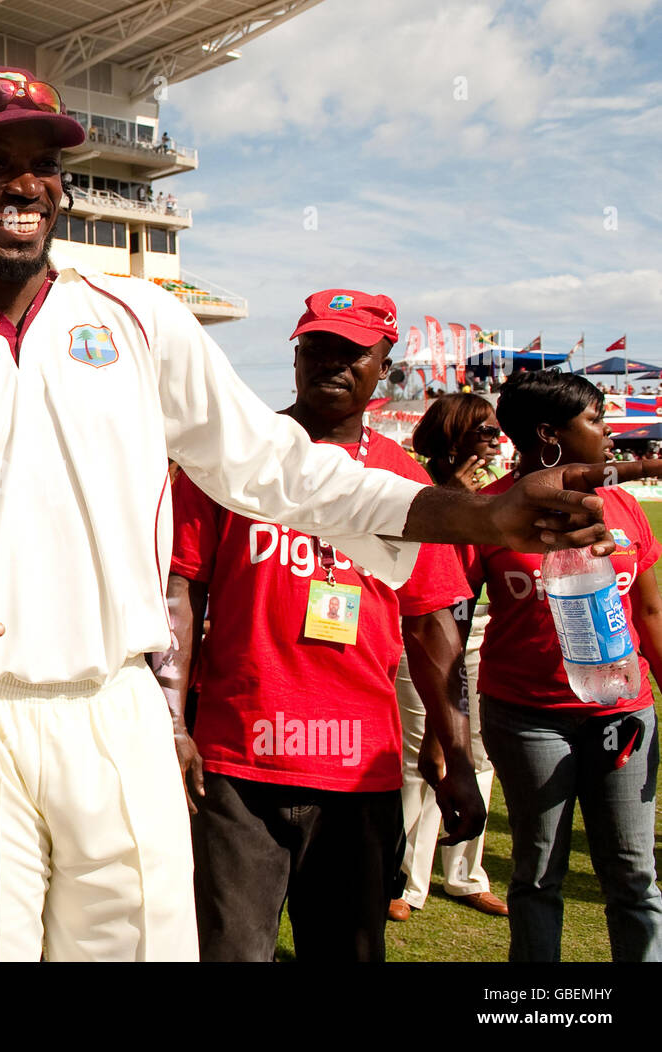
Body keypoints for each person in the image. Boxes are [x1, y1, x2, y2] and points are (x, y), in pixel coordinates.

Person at [0, 66, 637, 963]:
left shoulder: (140, 321)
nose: (26, 184)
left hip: (115, 703)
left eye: (44, 164)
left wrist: (480, 519)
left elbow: (280, 472)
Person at [160, 291, 482, 962]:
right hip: (237, 764)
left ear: (385, 366)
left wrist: (455, 757)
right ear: (296, 356)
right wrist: (171, 723)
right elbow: (180, 589)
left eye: (352, 353)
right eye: (317, 349)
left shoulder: (402, 481)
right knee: (229, 952)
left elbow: (432, 629)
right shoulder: (235, 459)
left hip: (357, 775)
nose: (331, 364)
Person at [461, 370, 662, 961]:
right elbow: (446, 619)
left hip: (624, 714)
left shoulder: (623, 506)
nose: (607, 434)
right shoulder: (487, 513)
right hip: (529, 717)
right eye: (595, 421)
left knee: (632, 875)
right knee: (539, 872)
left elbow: (649, 613)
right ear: (548, 434)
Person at [388, 393, 507, 922]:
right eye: (483, 429)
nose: (493, 438)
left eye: (496, 430)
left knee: (476, 754)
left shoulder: (498, 493)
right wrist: (450, 498)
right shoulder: (411, 486)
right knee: (423, 755)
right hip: (425, 631)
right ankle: (406, 881)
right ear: (453, 433)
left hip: (477, 629)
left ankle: (465, 874)